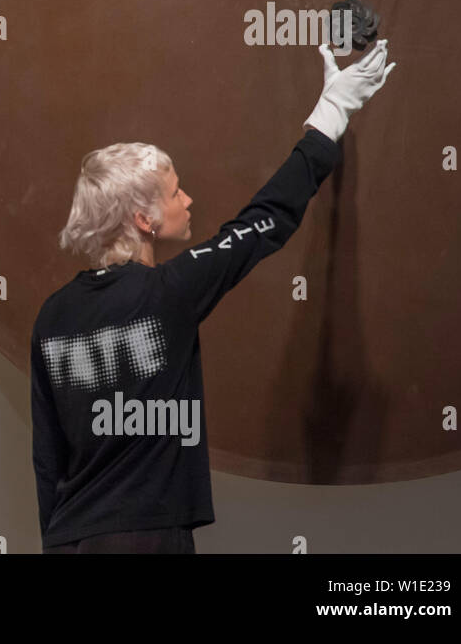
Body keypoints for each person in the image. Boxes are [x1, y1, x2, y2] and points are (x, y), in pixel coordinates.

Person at [32, 40, 396, 554]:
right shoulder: (169, 293)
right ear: (143, 219)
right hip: (147, 539)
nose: (188, 200)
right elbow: (264, 220)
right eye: (175, 192)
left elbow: (47, 456)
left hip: (69, 539)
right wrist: (331, 113)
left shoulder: (52, 316)